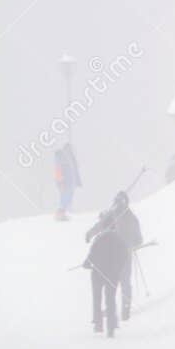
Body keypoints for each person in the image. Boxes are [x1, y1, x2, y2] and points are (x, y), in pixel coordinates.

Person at [83, 209, 128, 337]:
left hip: (97, 274)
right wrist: (118, 269)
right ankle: (111, 327)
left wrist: (86, 264)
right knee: (110, 299)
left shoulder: (99, 239)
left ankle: (98, 324)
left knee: (97, 299)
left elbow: (91, 257)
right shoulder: (120, 240)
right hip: (113, 275)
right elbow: (125, 255)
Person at [109, 191, 144, 319]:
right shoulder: (132, 218)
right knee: (125, 281)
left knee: (112, 281)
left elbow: (103, 233)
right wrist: (134, 243)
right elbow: (139, 239)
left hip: (113, 254)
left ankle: (111, 308)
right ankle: (125, 309)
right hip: (126, 253)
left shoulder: (112, 216)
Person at [54, 144, 81, 220]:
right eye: (69, 149)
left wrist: (76, 181)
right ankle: (60, 214)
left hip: (70, 182)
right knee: (64, 197)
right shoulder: (61, 158)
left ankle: (64, 213)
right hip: (64, 182)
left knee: (68, 197)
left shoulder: (69, 158)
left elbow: (74, 170)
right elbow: (58, 170)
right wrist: (60, 181)